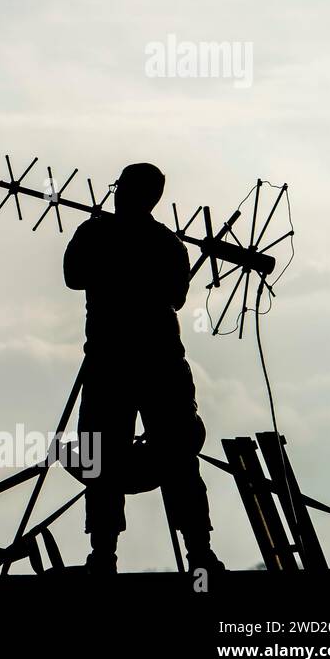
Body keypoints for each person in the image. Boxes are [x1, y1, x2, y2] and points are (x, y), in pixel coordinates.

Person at [63, 162, 224, 575]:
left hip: (117, 365)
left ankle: (106, 558)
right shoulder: (167, 245)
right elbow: (176, 295)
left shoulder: (98, 233)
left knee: (116, 457)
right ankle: (197, 556)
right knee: (171, 457)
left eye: (121, 187)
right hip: (155, 365)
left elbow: (73, 275)